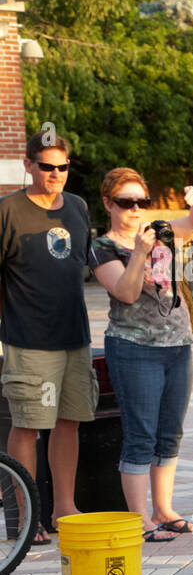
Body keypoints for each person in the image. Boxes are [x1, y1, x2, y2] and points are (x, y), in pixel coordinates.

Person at [88, 168, 193, 543]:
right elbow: (124, 292)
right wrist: (139, 252)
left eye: (142, 201)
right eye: (126, 202)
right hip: (134, 348)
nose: (135, 209)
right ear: (108, 203)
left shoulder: (159, 229)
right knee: (141, 434)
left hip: (177, 345)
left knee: (169, 432)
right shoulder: (103, 247)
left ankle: (163, 509)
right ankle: (138, 518)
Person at [0, 134, 95, 545]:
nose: (55, 174)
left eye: (63, 167)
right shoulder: (8, 211)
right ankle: (26, 515)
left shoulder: (77, 207)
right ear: (29, 165)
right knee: (27, 425)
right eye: (47, 166)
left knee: (68, 422)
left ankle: (64, 509)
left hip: (74, 336)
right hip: (28, 339)